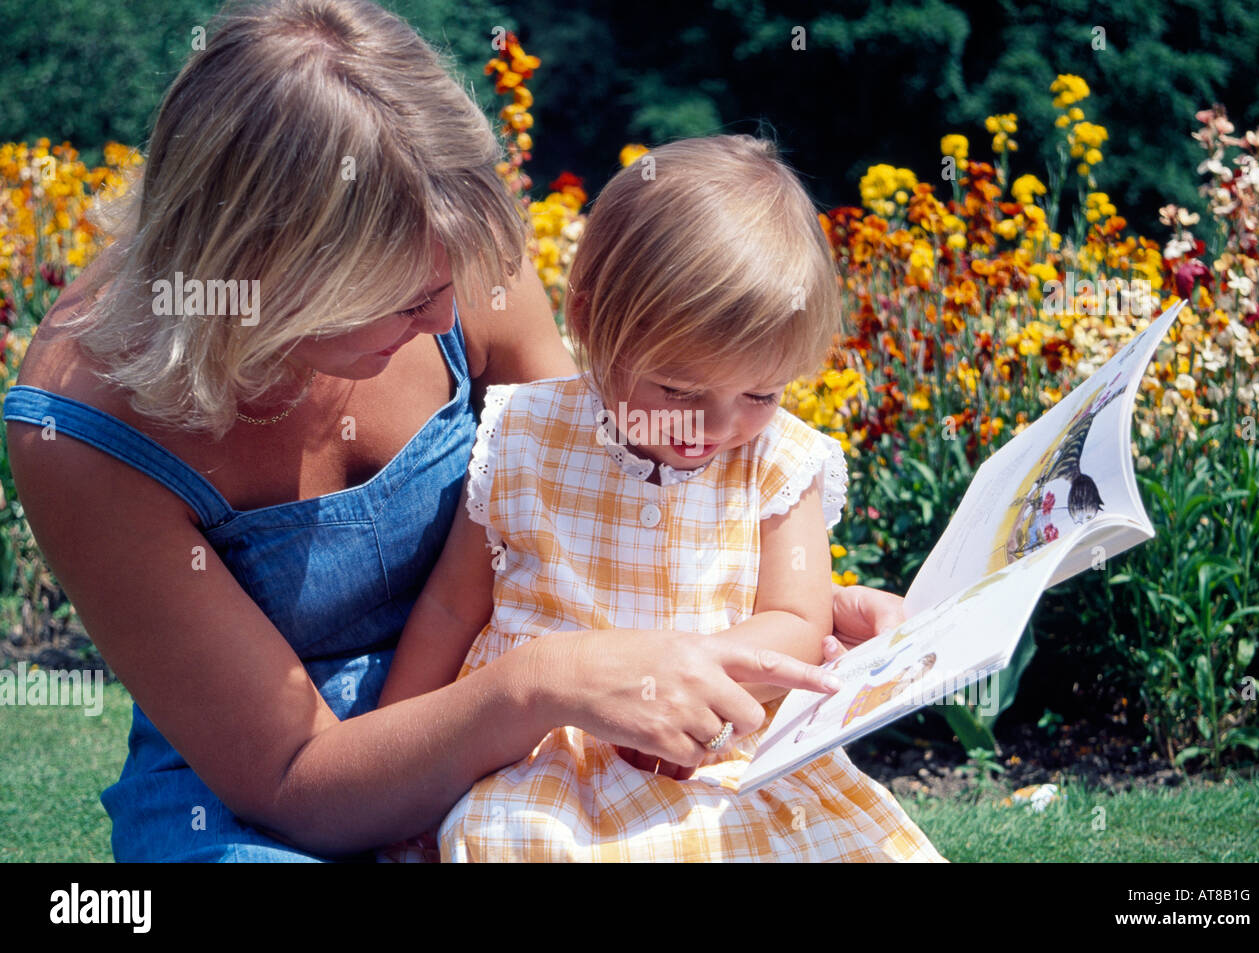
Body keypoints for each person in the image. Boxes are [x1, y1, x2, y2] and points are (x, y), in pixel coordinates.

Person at [2, 0, 906, 862]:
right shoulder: (84, 427)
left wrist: (789, 599)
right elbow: (291, 780)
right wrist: (539, 683)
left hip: (552, 736)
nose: (451, 308)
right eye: (403, 299)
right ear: (267, 281)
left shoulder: (442, 226)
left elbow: (605, 484)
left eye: (458, 274)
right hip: (278, 792)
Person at [378, 137, 947, 862]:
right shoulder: (523, 434)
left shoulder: (777, 462)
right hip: (546, 758)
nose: (712, 426)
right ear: (586, 322)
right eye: (676, 389)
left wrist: (692, 675)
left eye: (759, 393)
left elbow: (798, 617)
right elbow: (454, 606)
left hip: (719, 754)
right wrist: (401, 760)